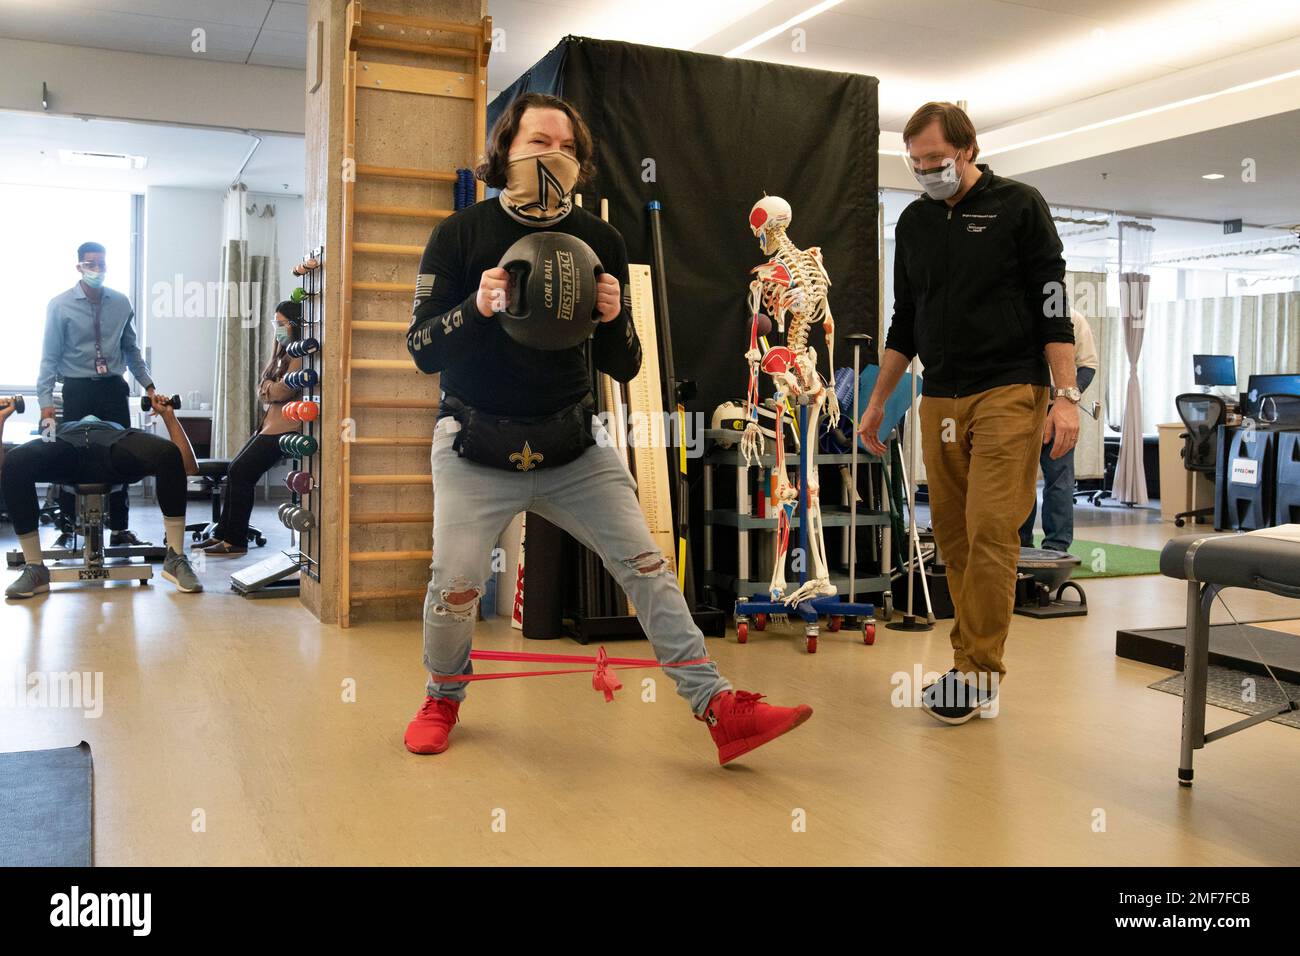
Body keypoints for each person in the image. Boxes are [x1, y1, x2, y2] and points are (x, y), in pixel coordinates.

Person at [404, 92, 812, 764]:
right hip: (475, 444)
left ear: (581, 162)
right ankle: (443, 694)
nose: (551, 155)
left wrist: (615, 315)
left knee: (649, 567)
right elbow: (421, 349)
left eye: (565, 146)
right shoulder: (460, 235)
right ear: (505, 151)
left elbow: (625, 364)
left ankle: (718, 708)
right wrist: (476, 307)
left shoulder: (604, 242)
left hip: (571, 447)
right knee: (456, 581)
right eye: (537, 142)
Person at [858, 101, 1078, 724]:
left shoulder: (1019, 205)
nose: (928, 171)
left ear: (969, 150)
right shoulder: (915, 223)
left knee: (989, 527)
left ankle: (979, 672)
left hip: (1009, 387)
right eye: (918, 162)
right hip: (941, 394)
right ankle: (966, 663)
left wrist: (1065, 397)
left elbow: (1053, 302)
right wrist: (880, 402)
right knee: (952, 533)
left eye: (937, 160)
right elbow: (906, 320)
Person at [2, 394, 204, 598]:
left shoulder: (124, 431)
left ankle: (175, 558)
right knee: (15, 460)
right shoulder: (58, 431)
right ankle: (35, 567)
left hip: (114, 447)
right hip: (68, 450)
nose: (90, 417)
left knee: (168, 452)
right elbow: (7, 470)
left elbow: (187, 466)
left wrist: (168, 415)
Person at [38, 241, 161, 548]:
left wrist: (149, 386)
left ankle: (119, 530)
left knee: (120, 456)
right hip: (77, 390)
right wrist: (44, 404)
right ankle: (68, 530)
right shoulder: (59, 305)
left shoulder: (121, 303)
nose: (97, 270)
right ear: (79, 266)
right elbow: (49, 357)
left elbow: (131, 350)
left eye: (102, 264)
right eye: (91, 264)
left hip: (112, 388)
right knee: (68, 455)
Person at [197, 300, 303, 556]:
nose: (277, 329)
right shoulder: (283, 355)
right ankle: (223, 534)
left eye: (281, 324)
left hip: (286, 428)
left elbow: (282, 390)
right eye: (275, 324)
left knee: (243, 472)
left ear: (295, 325)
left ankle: (236, 541)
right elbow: (265, 389)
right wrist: (270, 389)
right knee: (235, 470)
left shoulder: (301, 355)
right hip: (269, 425)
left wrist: (270, 388)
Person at [1019, 311, 1099, 553]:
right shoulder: (1017, 313)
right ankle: (1019, 544)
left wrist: (1065, 396)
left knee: (1059, 479)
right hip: (1020, 408)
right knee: (1019, 479)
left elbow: (1088, 365)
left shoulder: (1074, 318)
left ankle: (1057, 546)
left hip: (1058, 413)